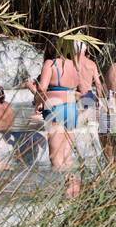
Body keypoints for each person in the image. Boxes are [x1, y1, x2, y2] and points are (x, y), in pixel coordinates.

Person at [38, 38, 80, 170]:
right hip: (72, 108)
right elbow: (79, 87)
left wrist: (38, 102)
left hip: (55, 108)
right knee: (67, 157)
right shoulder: (73, 65)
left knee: (55, 157)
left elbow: (42, 88)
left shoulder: (50, 63)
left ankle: (57, 186)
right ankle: (71, 186)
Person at [74, 40, 104, 114]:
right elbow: (98, 84)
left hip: (74, 95)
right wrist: (99, 99)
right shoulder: (91, 64)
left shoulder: (70, 63)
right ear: (85, 49)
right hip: (88, 96)